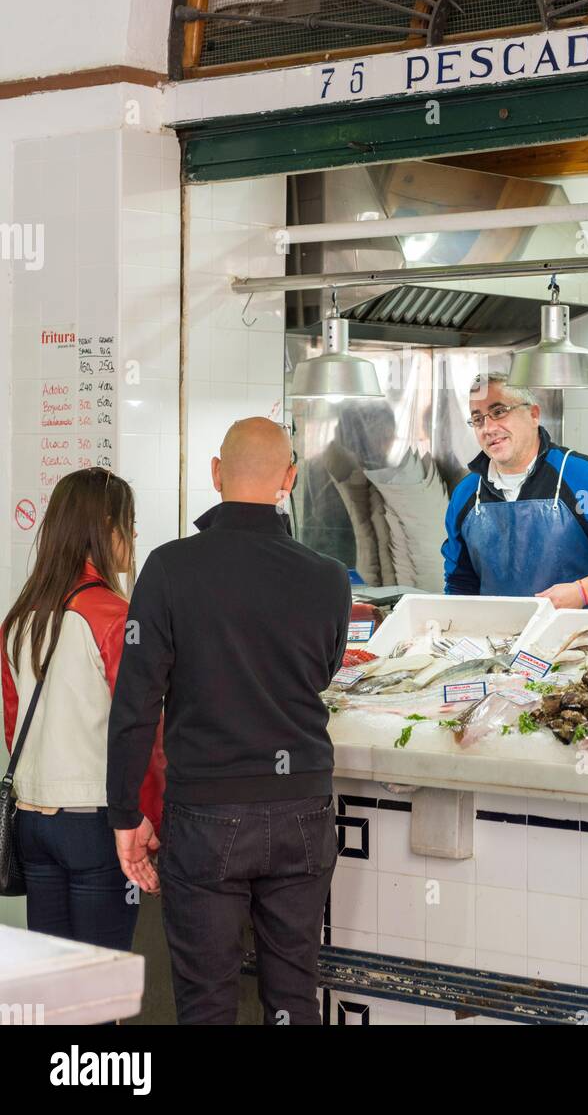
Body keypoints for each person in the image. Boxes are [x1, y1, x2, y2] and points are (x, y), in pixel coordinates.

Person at [107, 417, 351, 1026]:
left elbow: (136, 704)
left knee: (207, 1005)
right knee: (294, 1001)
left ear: (216, 474)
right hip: (303, 810)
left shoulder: (167, 569)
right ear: (288, 480)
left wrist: (124, 814)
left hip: (207, 817)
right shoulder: (327, 576)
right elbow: (323, 673)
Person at [1, 468, 164, 953]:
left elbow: (14, 726)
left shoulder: (18, 619)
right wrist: (148, 816)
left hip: (32, 822)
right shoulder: (115, 618)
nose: (134, 535)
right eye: (127, 523)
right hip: (97, 822)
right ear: (104, 527)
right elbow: (142, 730)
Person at [442, 373, 588, 608]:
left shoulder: (583, 478)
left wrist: (583, 591)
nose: (488, 428)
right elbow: (459, 582)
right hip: (496, 640)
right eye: (477, 420)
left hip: (577, 638)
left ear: (534, 414)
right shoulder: (466, 493)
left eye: (499, 412)